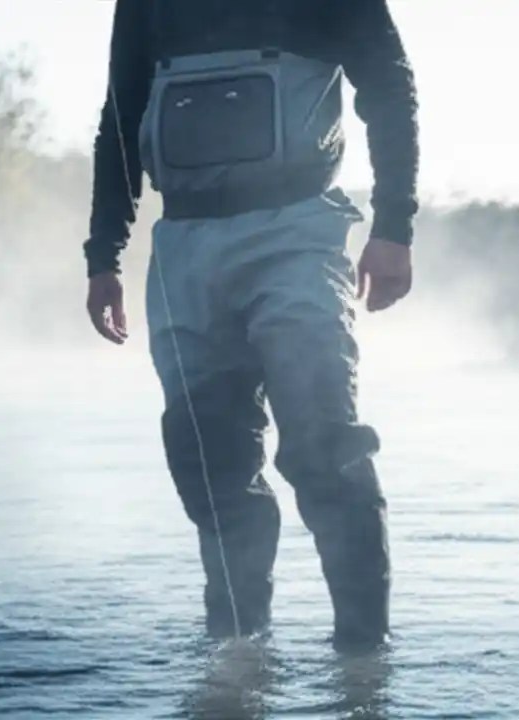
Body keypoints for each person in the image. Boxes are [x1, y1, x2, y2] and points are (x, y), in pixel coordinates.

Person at [82, 0, 420, 652]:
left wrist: (394, 226)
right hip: (184, 245)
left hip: (297, 233)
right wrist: (104, 255)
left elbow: (389, 84)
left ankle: (364, 663)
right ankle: (236, 655)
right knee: (208, 461)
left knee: (324, 446)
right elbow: (120, 117)